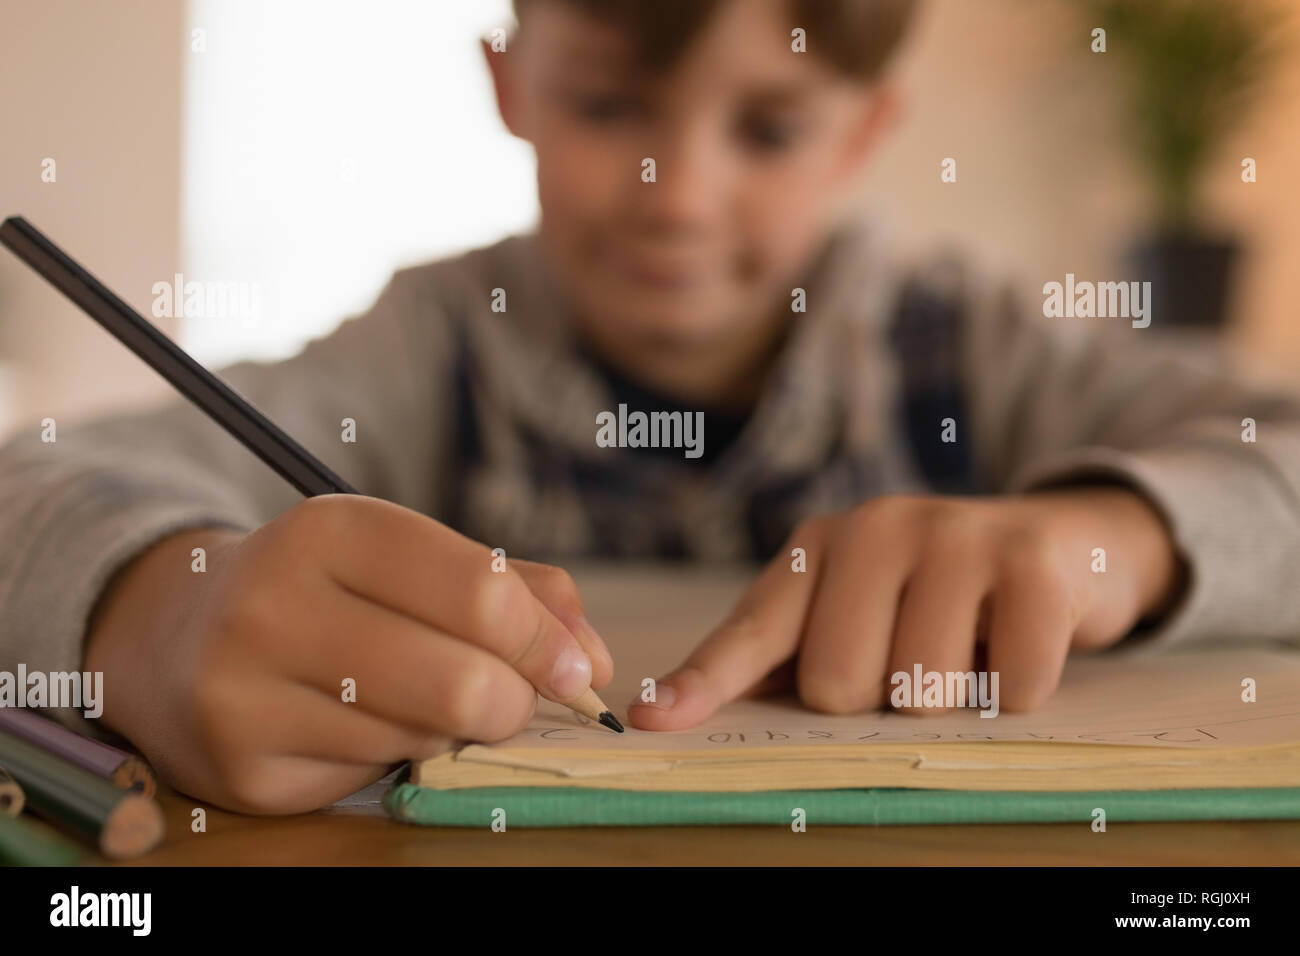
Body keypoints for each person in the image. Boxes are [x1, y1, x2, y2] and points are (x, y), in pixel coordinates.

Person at [2, 0, 1298, 814]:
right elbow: (32, 476)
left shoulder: (976, 343)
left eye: (773, 127)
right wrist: (159, 612)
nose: (676, 193)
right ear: (508, 87)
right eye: (610, 105)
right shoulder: (428, 348)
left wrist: (1112, 539)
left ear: (864, 135)